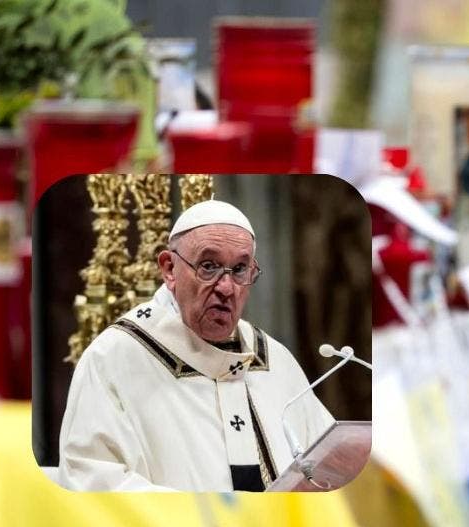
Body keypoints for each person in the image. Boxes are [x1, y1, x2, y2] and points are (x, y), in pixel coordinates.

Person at [58, 200, 335, 492]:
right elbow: (91, 478)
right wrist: (204, 515)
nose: (226, 288)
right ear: (169, 269)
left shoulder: (275, 359)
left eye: (240, 269)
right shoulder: (113, 357)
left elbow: (327, 463)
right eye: (208, 266)